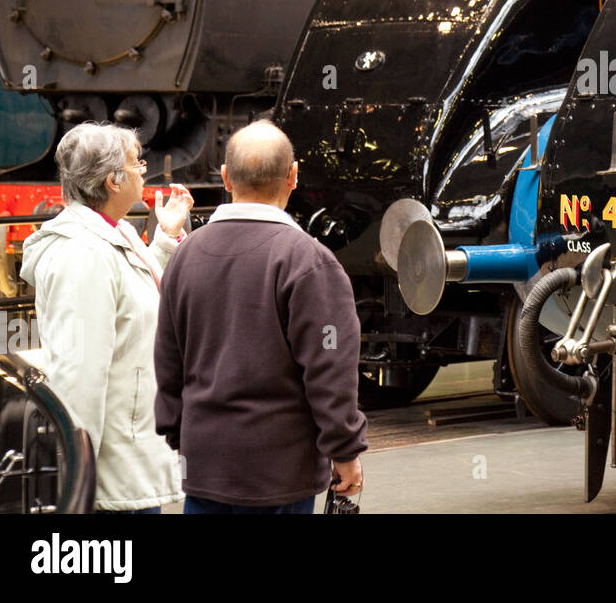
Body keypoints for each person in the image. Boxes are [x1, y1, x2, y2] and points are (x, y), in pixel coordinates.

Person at [154, 120, 366, 514]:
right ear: (293, 176)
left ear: (225, 178)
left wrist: (177, 431)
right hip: (280, 474)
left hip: (204, 465)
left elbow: (167, 357)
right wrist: (344, 448)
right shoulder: (309, 261)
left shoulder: (186, 256)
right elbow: (329, 370)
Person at [20, 122, 194, 512]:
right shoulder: (84, 253)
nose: (143, 169)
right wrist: (79, 479)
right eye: (136, 163)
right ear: (113, 180)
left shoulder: (113, 234)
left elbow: (133, 292)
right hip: (109, 478)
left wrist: (164, 240)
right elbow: (79, 373)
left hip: (128, 458)